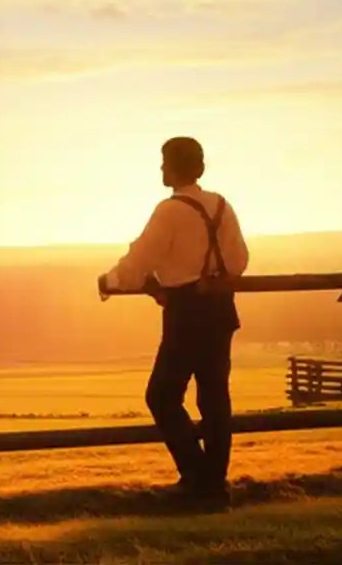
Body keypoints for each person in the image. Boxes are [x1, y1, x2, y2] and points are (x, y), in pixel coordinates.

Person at [98, 136, 249, 506]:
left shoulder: (169, 211)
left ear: (175, 166)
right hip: (221, 309)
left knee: (162, 396)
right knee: (215, 399)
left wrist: (110, 282)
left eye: (164, 162)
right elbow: (240, 260)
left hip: (186, 313)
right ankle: (214, 484)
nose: (160, 169)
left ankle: (197, 479)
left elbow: (137, 265)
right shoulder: (222, 206)